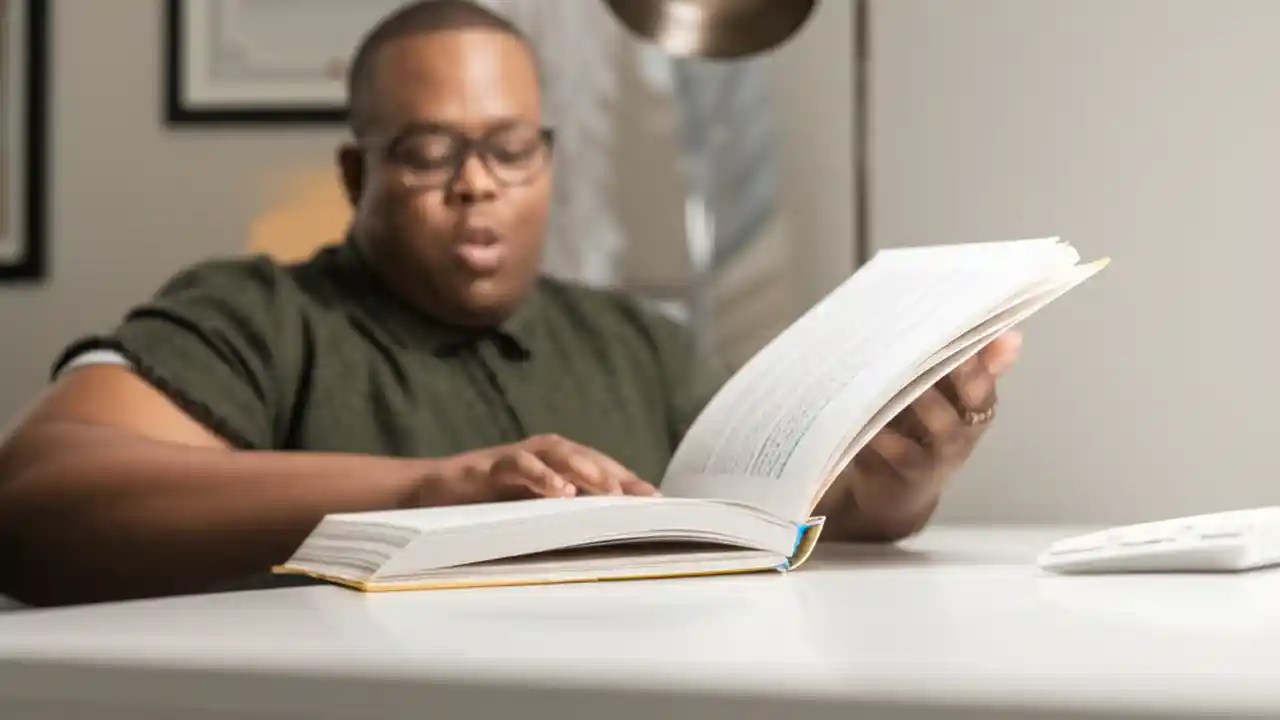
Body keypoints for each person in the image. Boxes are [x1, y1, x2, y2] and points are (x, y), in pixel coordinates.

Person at [0, 0, 1020, 606]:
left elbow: (803, 519)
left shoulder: (635, 342)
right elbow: (36, 501)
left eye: (510, 149)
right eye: (428, 152)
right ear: (357, 175)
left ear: (547, 162)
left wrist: (901, 483)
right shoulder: (259, 314)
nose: (476, 185)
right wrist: (426, 492)